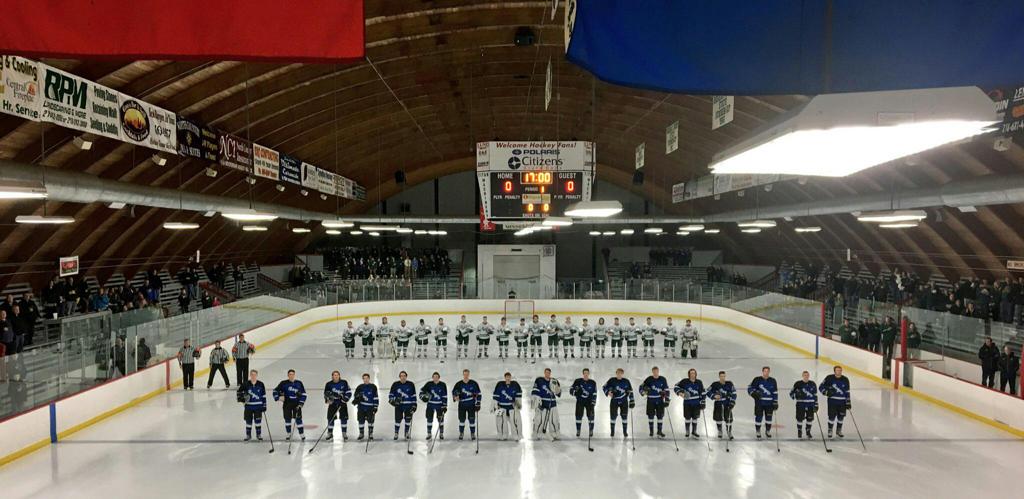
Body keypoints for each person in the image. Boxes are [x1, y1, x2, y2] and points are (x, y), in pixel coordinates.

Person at [273, 369, 308, 441]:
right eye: (290, 374)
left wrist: (301, 403)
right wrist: (278, 398)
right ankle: (288, 434)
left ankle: (302, 434)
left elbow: (304, 394)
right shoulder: (283, 383)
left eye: (292, 374)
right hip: (287, 404)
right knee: (287, 419)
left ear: (294, 375)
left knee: (298, 419)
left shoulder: (299, 383)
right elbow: (275, 390)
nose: (291, 376)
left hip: (296, 404)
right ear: (288, 375)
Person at [819, 366, 851, 439]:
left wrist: (848, 402)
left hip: (842, 402)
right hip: (832, 401)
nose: (839, 372)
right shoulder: (829, 378)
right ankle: (830, 430)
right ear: (834, 371)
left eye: (840, 370)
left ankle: (838, 430)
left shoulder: (845, 379)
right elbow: (821, 387)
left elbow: (847, 392)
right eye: (837, 370)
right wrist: (826, 393)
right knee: (832, 416)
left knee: (841, 417)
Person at [747, 366, 779, 439]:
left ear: (769, 372)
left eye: (768, 371)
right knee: (759, 417)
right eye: (765, 371)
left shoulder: (773, 380)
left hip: (769, 403)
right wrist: (753, 393)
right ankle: (758, 431)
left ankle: (768, 431)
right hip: (759, 403)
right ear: (762, 371)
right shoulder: (757, 379)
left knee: (769, 418)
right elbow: (750, 388)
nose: (766, 373)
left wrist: (775, 402)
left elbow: (775, 392)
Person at [603, 368, 635, 438]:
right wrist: (608, 392)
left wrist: (632, 400)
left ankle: (625, 432)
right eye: (618, 373)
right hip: (614, 401)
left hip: (624, 401)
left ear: (622, 374)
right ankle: (612, 431)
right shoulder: (612, 380)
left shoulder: (626, 381)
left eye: (621, 373)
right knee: (613, 416)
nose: (619, 374)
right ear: (616, 373)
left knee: (624, 416)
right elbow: (604, 387)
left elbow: (630, 391)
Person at [236, 370, 267, 442]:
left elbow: (264, 396)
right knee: (248, 421)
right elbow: (239, 392)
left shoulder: (261, 384)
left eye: (255, 375)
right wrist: (242, 400)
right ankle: (248, 435)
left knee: (258, 421)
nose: (253, 376)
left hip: (258, 407)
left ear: (257, 375)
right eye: (252, 375)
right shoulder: (246, 384)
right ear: (250, 375)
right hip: (248, 407)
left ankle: (258, 435)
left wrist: (264, 405)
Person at [674, 368, 705, 438]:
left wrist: (703, 402)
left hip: (696, 403)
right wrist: (680, 393)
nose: (692, 375)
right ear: (689, 374)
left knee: (695, 418)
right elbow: (676, 386)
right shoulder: (684, 381)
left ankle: (694, 432)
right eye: (691, 373)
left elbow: (703, 392)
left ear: (695, 374)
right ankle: (687, 431)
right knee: (687, 418)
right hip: (687, 403)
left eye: (694, 373)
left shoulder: (699, 382)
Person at [639, 366, 670, 438]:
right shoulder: (648, 379)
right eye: (654, 371)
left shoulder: (663, 379)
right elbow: (641, 387)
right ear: (652, 372)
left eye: (657, 371)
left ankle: (659, 431)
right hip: (650, 400)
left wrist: (667, 399)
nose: (655, 373)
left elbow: (667, 390)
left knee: (660, 416)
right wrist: (643, 392)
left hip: (659, 400)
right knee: (650, 416)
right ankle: (651, 431)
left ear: (658, 371)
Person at [531, 368, 562, 439]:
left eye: (549, 373)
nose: (547, 374)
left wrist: (557, 390)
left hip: (552, 403)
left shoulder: (554, 381)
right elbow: (535, 390)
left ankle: (554, 432)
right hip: (542, 403)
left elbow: (559, 394)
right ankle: (537, 432)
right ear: (544, 373)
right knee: (539, 419)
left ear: (550, 373)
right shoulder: (539, 380)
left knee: (554, 419)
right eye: (546, 372)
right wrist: (536, 399)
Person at [705, 371, 736, 440]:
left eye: (724, 376)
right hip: (718, 403)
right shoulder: (715, 384)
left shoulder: (729, 384)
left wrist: (732, 402)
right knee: (718, 418)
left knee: (729, 419)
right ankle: (720, 431)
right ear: (719, 377)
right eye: (721, 376)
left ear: (725, 376)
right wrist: (713, 396)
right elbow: (707, 391)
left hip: (727, 403)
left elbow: (734, 393)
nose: (722, 378)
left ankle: (729, 432)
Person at [492, 371, 523, 441]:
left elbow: (518, 396)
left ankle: (516, 435)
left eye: (509, 377)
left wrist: (518, 404)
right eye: (507, 377)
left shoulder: (515, 385)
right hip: (502, 407)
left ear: (510, 377)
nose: (508, 378)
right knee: (501, 422)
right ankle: (503, 435)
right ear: (505, 378)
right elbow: (496, 397)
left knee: (514, 422)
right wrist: (495, 405)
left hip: (511, 407)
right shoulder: (500, 385)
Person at [452, 369, 482, 440]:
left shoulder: (474, 383)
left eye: (467, 374)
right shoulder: (458, 384)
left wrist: (478, 403)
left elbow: (479, 394)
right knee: (461, 420)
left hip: (471, 404)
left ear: (469, 374)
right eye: (464, 374)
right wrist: (455, 397)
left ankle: (472, 433)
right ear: (463, 374)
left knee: (472, 420)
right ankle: (461, 433)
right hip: (462, 404)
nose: (466, 375)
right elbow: (454, 392)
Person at [323, 370, 352, 441]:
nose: (336, 376)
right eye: (334, 375)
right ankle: (330, 433)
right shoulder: (328, 384)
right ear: (332, 376)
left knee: (344, 418)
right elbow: (325, 394)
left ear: (339, 376)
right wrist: (328, 400)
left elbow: (348, 392)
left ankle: (344, 433)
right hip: (333, 404)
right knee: (330, 418)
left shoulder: (344, 382)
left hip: (342, 403)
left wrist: (344, 399)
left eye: (337, 375)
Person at [789, 371, 818, 439]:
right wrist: (796, 394)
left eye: (807, 375)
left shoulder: (813, 384)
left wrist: (816, 404)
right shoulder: (798, 384)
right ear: (802, 375)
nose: (806, 376)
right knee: (799, 418)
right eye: (804, 375)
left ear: (809, 376)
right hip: (800, 404)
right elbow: (791, 393)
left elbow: (815, 395)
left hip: (810, 404)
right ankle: (799, 431)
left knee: (810, 419)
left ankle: (808, 431)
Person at [388, 371, 417, 440]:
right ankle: (396, 433)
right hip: (399, 406)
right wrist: (393, 401)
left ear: (406, 376)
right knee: (397, 420)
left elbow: (413, 395)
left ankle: (406, 433)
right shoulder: (395, 384)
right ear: (399, 377)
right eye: (401, 376)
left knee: (408, 420)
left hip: (408, 406)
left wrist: (414, 405)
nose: (403, 377)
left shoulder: (411, 384)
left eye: (404, 376)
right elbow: (391, 394)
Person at [569, 368, 598, 438]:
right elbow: (570, 390)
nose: (586, 374)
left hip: (589, 402)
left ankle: (591, 430)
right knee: (578, 416)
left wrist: (593, 401)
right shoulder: (578, 381)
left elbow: (595, 393)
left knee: (591, 416)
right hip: (580, 401)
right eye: (584, 373)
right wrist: (576, 392)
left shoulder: (593, 382)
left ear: (588, 374)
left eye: (587, 373)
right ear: (583, 374)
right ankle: (578, 430)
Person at [420, 372, 448, 439]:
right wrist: (423, 397)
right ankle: (429, 433)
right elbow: (421, 391)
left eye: (437, 377)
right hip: (430, 405)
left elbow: (445, 396)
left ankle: (441, 433)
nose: (435, 378)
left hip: (439, 405)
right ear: (432, 377)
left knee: (440, 420)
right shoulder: (429, 384)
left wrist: (444, 405)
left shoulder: (443, 385)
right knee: (429, 419)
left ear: (439, 377)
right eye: (434, 377)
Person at [353, 373, 379, 441]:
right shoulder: (359, 387)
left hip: (370, 408)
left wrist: (375, 407)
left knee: (371, 421)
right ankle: (361, 433)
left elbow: (376, 397)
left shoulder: (373, 387)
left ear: (369, 378)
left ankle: (370, 434)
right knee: (360, 420)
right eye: (364, 378)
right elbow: (355, 395)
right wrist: (357, 397)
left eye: (367, 378)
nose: (366, 379)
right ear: (363, 379)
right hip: (361, 407)